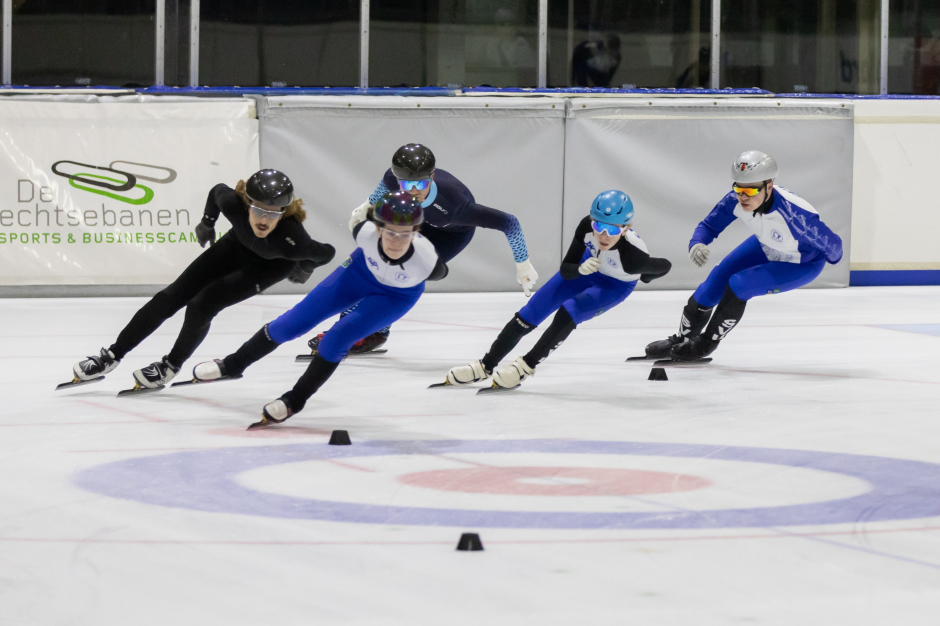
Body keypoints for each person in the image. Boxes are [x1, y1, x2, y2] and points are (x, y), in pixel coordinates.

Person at [190, 190, 447, 429]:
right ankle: (234, 364)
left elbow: (435, 270)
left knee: (338, 339)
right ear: (377, 228)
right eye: (390, 232)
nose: (396, 241)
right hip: (359, 272)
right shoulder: (363, 231)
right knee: (292, 323)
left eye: (405, 234)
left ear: (417, 231)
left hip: (396, 294)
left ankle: (295, 400)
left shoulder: (428, 263)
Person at [64, 170, 335, 391]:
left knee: (202, 305)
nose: (264, 219)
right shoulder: (233, 204)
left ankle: (170, 365)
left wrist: (305, 266)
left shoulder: (293, 241)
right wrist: (207, 223)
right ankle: (111, 356)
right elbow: (217, 190)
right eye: (258, 209)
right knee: (169, 297)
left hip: (269, 266)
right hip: (235, 246)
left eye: (274, 212)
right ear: (246, 203)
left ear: (284, 211)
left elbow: (327, 252)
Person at [306, 143, 538, 356]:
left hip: (449, 234)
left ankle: (371, 331)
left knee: (400, 277)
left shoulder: (457, 205)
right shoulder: (392, 178)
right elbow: (379, 195)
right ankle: (354, 329)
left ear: (432, 177)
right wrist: (364, 208)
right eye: (406, 184)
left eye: (420, 184)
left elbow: (510, 223)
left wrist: (523, 265)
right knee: (372, 265)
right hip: (412, 222)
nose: (413, 191)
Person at [442, 190, 671, 391]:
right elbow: (566, 268)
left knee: (570, 310)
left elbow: (665, 266)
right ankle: (485, 365)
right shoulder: (585, 227)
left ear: (626, 228)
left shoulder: (633, 256)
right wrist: (580, 269)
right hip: (584, 268)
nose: (603, 235)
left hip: (615, 285)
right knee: (531, 312)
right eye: (598, 225)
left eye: (612, 230)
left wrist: (645, 275)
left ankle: (526, 366)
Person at [644, 150, 843, 362]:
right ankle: (682, 339)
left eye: (750, 190)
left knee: (740, 284)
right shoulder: (734, 201)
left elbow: (835, 248)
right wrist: (697, 243)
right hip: (766, 246)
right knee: (711, 286)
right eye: (738, 188)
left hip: (801, 263)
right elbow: (709, 225)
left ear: (769, 186)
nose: (743, 196)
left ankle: (705, 344)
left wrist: (828, 256)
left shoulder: (797, 216)